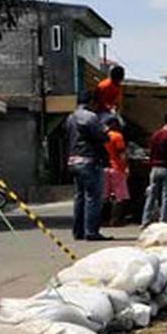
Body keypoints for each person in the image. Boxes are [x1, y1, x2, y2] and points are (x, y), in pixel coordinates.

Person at [65, 94, 110, 241]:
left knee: (79, 197)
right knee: (93, 197)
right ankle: (91, 231)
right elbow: (102, 137)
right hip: (88, 161)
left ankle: (78, 232)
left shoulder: (70, 117)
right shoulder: (91, 117)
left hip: (73, 160)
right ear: (91, 102)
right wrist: (106, 130)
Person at [103, 118, 129, 226]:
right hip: (116, 168)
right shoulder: (117, 136)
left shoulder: (102, 136)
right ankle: (116, 220)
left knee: (105, 195)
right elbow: (121, 154)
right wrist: (126, 167)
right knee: (120, 196)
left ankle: (104, 220)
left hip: (104, 168)